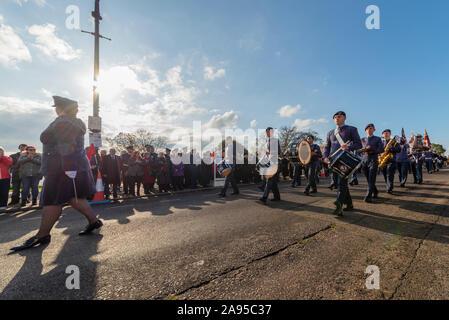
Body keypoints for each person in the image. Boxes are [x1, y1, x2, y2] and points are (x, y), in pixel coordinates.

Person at [10, 96, 102, 252]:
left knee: (52, 201)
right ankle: (93, 221)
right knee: (74, 198)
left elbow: (67, 147)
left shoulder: (64, 122)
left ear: (62, 108)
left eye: (56, 106)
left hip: (62, 169)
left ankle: (42, 235)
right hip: (69, 168)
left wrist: (69, 168)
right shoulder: (69, 121)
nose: (56, 109)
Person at [323, 111, 362, 217]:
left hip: (345, 160)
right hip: (333, 161)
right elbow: (327, 147)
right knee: (338, 183)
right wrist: (325, 156)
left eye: (339, 117)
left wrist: (348, 147)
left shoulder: (351, 129)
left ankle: (338, 206)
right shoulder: (330, 132)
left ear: (344, 118)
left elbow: (358, 144)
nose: (336, 119)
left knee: (342, 184)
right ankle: (349, 204)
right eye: (335, 117)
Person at [359, 124, 383, 203]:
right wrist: (363, 149)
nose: (369, 129)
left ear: (374, 130)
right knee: (369, 179)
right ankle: (375, 191)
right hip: (364, 160)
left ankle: (368, 196)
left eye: (371, 128)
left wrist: (372, 149)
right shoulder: (362, 139)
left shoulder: (377, 139)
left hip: (373, 160)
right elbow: (358, 150)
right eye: (368, 128)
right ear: (365, 130)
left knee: (372, 178)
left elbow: (381, 149)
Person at [259, 128, 282, 204]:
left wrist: (270, 153)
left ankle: (264, 197)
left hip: (274, 162)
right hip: (269, 162)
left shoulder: (275, 140)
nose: (267, 133)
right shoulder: (267, 141)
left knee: (269, 180)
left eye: (269, 132)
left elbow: (279, 152)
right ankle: (277, 197)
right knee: (273, 182)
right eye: (266, 132)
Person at [381, 129, 401, 194]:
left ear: (390, 134)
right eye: (384, 133)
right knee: (384, 174)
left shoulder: (394, 141)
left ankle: (389, 188)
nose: (386, 134)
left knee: (389, 175)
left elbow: (399, 149)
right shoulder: (381, 142)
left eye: (387, 133)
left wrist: (391, 147)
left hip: (391, 160)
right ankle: (388, 186)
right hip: (383, 161)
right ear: (382, 135)